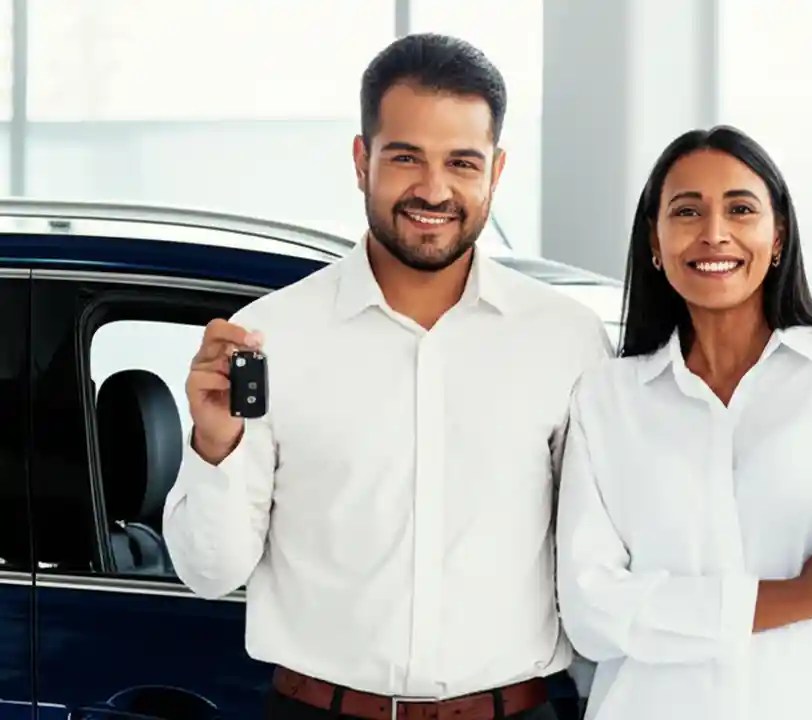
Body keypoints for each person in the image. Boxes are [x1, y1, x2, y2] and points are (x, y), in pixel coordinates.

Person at [163, 33, 611, 720]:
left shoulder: (566, 340)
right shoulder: (269, 337)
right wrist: (215, 444)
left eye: (462, 162)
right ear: (361, 159)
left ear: (496, 169)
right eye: (406, 158)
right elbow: (209, 572)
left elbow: (594, 570)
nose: (433, 190)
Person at [554, 125, 812, 719]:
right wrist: (808, 592)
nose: (714, 233)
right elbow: (593, 613)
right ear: (654, 243)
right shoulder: (607, 398)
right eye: (687, 211)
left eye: (740, 208)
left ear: (778, 235)